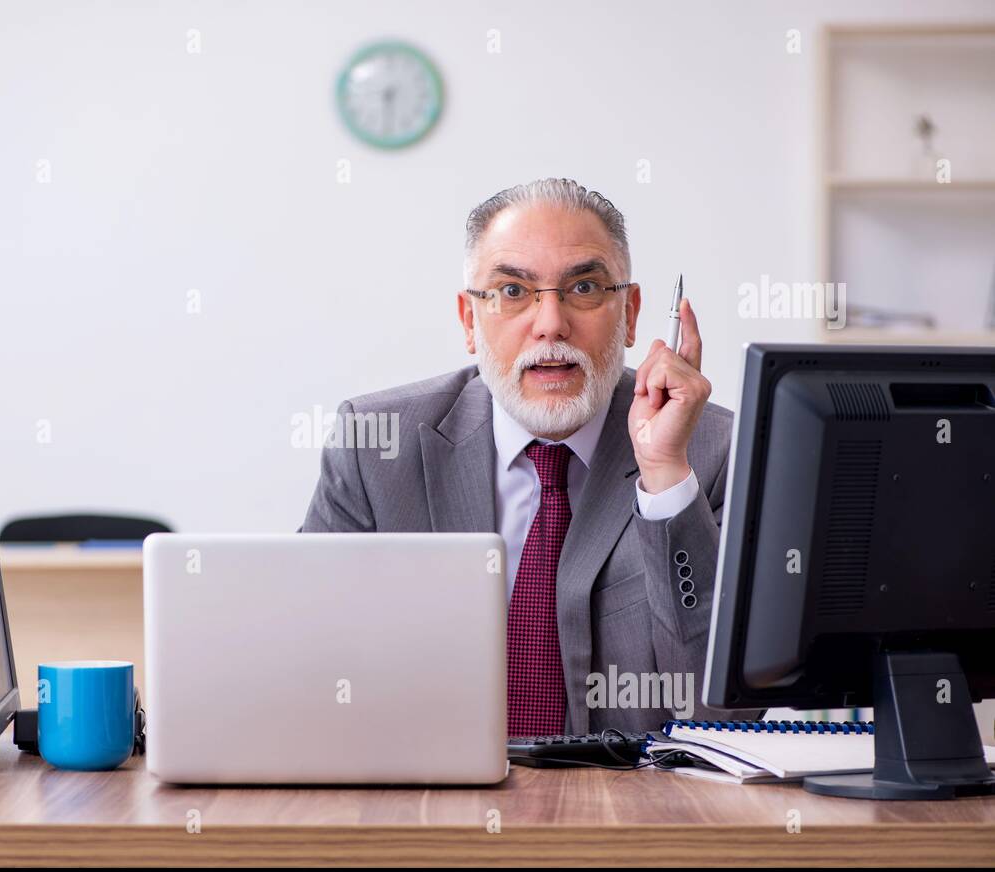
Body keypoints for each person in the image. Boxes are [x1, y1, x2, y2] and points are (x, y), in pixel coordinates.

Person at [301, 178, 739, 734]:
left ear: (630, 314)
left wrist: (665, 476)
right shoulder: (375, 445)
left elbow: (723, 716)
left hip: (632, 813)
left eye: (583, 287)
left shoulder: (716, 451)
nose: (551, 323)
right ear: (468, 320)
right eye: (512, 291)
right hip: (430, 804)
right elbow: (308, 668)